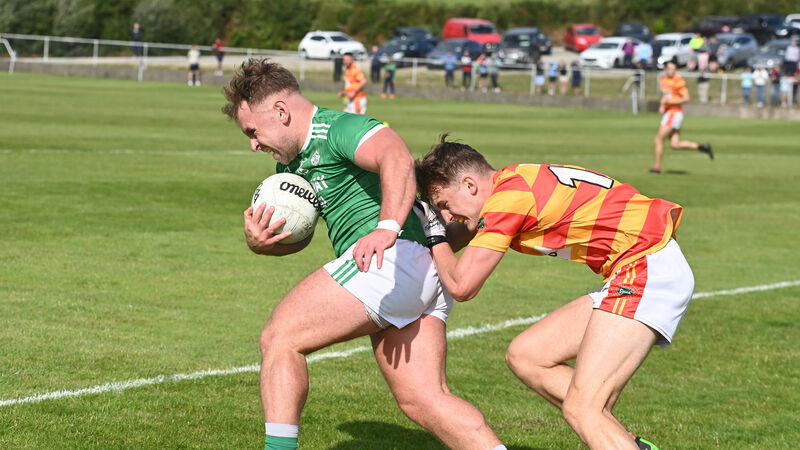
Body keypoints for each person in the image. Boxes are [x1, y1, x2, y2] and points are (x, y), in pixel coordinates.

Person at [221, 59, 506, 450]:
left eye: (252, 131)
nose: (253, 143)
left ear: (281, 111)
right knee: (424, 400)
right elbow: (303, 235)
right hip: (420, 268)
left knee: (280, 337)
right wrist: (263, 241)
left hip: (391, 261)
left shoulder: (338, 128)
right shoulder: (294, 163)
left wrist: (387, 226)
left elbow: (397, 158)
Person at [413, 134, 695, 450]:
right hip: (639, 266)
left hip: (645, 266)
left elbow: (462, 285)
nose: (448, 216)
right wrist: (419, 234)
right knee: (529, 356)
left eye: (445, 205)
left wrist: (434, 234)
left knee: (582, 408)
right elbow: (460, 235)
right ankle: (623, 442)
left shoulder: (509, 199)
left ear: (469, 185)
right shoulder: (511, 184)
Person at [651, 61, 713, 174]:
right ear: (665, 69)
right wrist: (663, 105)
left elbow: (686, 98)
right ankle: (703, 147)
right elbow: (666, 97)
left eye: (674, 69)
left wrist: (670, 102)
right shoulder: (663, 80)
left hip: (674, 114)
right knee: (675, 144)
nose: (672, 71)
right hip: (669, 113)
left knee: (658, 139)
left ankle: (657, 167)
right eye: (670, 69)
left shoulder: (678, 81)